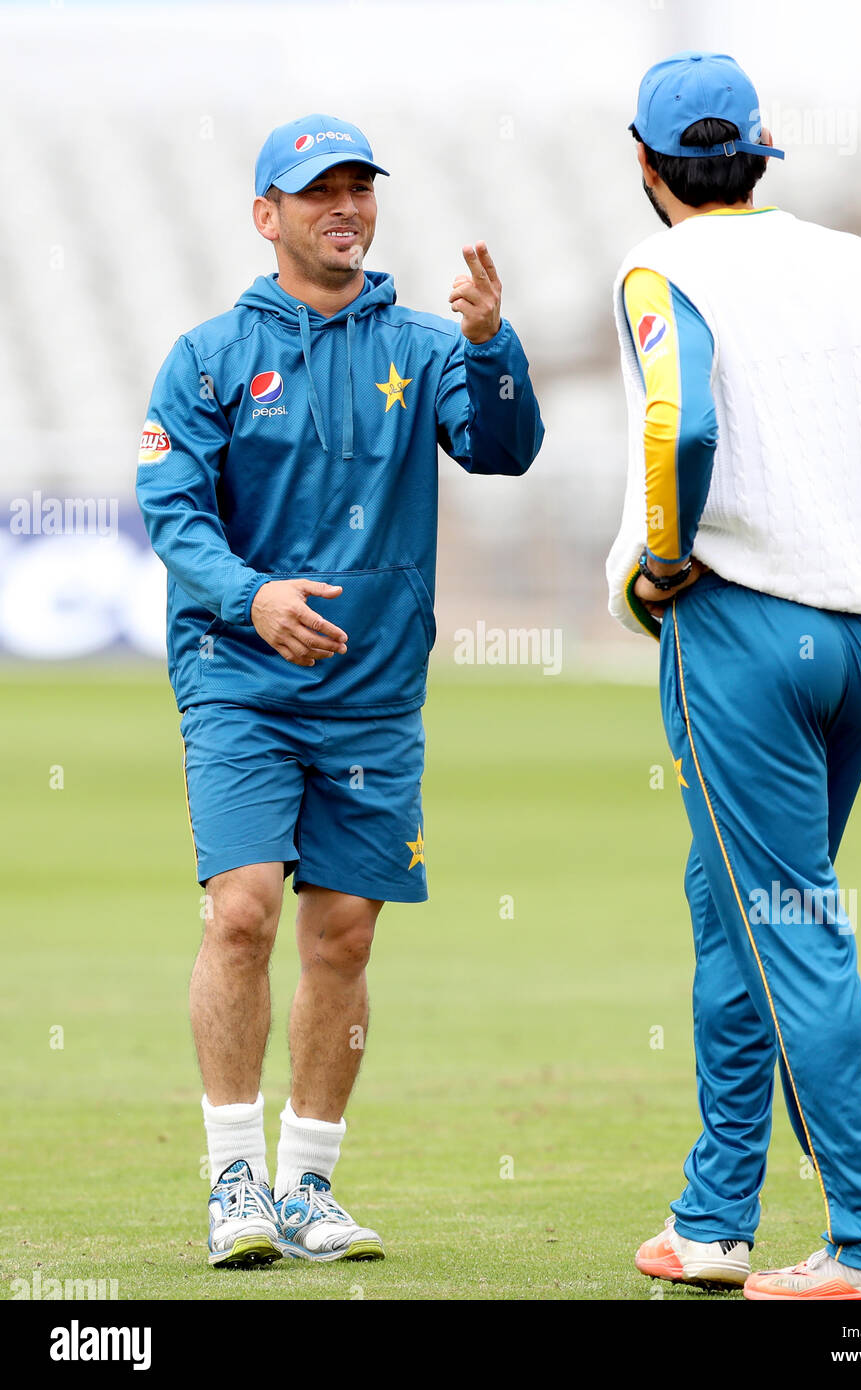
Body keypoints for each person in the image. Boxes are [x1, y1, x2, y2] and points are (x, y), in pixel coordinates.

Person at [137, 113, 544, 1268]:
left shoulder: (424, 342)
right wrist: (250, 595)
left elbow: (503, 451)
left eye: (360, 188)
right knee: (243, 909)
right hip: (240, 680)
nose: (345, 208)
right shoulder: (208, 355)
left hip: (370, 693)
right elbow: (171, 514)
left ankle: (307, 1185)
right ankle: (233, 1176)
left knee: (344, 937)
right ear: (266, 216)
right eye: (319, 192)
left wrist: (494, 347)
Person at [606, 53, 861, 1300]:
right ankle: (711, 1218)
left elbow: (677, 425)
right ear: (759, 154)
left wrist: (655, 559)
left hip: (742, 630)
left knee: (789, 923)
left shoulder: (662, 267)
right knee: (732, 907)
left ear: (643, 164)